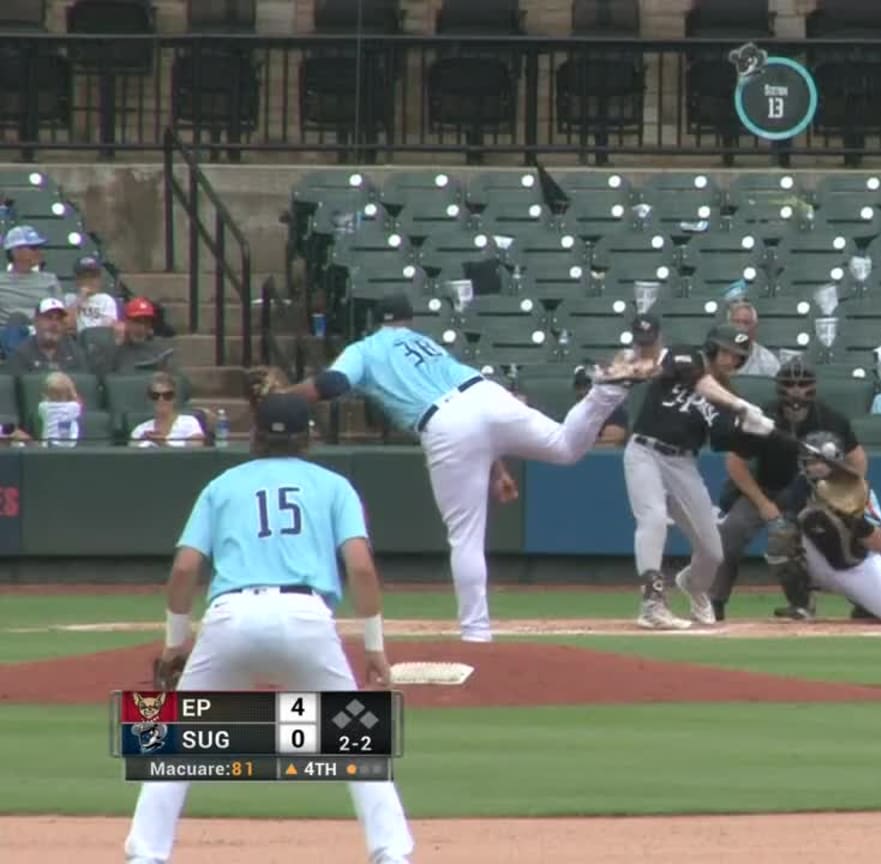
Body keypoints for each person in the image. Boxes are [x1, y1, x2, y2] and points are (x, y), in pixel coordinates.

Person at [122, 394, 413, 864]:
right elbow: (360, 567)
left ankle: (146, 854)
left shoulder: (222, 484)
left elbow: (184, 569)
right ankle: (391, 853)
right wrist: (375, 646)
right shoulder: (334, 485)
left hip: (231, 617)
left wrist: (175, 644)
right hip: (305, 616)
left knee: (173, 736)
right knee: (358, 738)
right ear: (308, 435)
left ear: (255, 434)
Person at [284, 294, 641, 643]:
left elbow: (332, 384)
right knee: (565, 447)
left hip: (444, 421)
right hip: (487, 394)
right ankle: (605, 393)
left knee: (466, 536)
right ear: (409, 319)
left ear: (376, 322)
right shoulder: (425, 343)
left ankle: (476, 633)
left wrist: (282, 400)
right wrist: (497, 470)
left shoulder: (365, 348)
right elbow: (476, 419)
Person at [623, 324, 775, 630]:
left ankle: (693, 584)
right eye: (727, 352)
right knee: (653, 519)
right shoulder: (685, 355)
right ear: (712, 347)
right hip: (644, 451)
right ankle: (652, 604)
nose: (731, 360)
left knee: (712, 551)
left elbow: (724, 440)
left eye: (738, 356)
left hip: (683, 464)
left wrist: (754, 430)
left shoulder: (728, 397)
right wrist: (741, 406)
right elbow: (700, 382)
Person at [710, 357, 867, 621]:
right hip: (765, 488)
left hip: (811, 493)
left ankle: (857, 599)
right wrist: (763, 504)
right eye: (790, 384)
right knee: (730, 533)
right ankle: (714, 601)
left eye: (802, 384)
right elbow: (734, 463)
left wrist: (840, 493)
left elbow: (858, 460)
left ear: (813, 387)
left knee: (839, 537)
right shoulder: (762, 418)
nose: (796, 391)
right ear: (780, 387)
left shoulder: (830, 418)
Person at [762, 431, 881, 624]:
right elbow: (786, 524)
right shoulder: (800, 487)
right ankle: (801, 604)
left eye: (817, 462)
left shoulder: (857, 489)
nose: (811, 467)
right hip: (817, 561)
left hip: (855, 566)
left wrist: (851, 518)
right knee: (781, 534)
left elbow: (879, 543)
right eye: (809, 462)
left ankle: (871, 599)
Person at [0, 224, 61, 353]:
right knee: (17, 318)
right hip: (9, 335)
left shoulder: (49, 279)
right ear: (15, 252)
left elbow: (61, 314)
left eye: (39, 247)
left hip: (43, 332)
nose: (39, 252)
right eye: (33, 248)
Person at [6, 296, 90, 374]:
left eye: (59, 319)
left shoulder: (74, 352)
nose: (54, 324)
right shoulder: (21, 354)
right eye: (49, 318)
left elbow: (85, 382)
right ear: (35, 322)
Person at [130, 371, 205, 448]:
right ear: (149, 400)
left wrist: (163, 444)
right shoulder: (140, 430)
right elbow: (132, 453)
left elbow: (194, 453)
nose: (161, 400)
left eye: (167, 395)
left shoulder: (190, 422)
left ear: (174, 398)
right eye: (155, 396)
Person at [572, 367, 629, 446]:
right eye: (579, 387)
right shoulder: (577, 412)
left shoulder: (614, 411)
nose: (582, 391)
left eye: (588, 386)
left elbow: (612, 442)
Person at [728, 300, 782, 377]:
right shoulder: (715, 357)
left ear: (755, 327)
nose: (740, 328)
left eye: (746, 323)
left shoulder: (768, 361)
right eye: (736, 322)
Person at [66, 256, 119, 333]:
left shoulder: (106, 300)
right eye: (85, 277)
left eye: (93, 277)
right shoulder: (69, 298)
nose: (89, 281)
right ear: (77, 280)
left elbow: (107, 329)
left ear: (99, 279)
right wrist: (80, 298)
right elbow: (67, 325)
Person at [35, 370, 81, 447]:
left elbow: (43, 405)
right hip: (68, 445)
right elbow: (78, 402)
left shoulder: (43, 407)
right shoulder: (73, 407)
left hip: (48, 444)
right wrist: (73, 392)